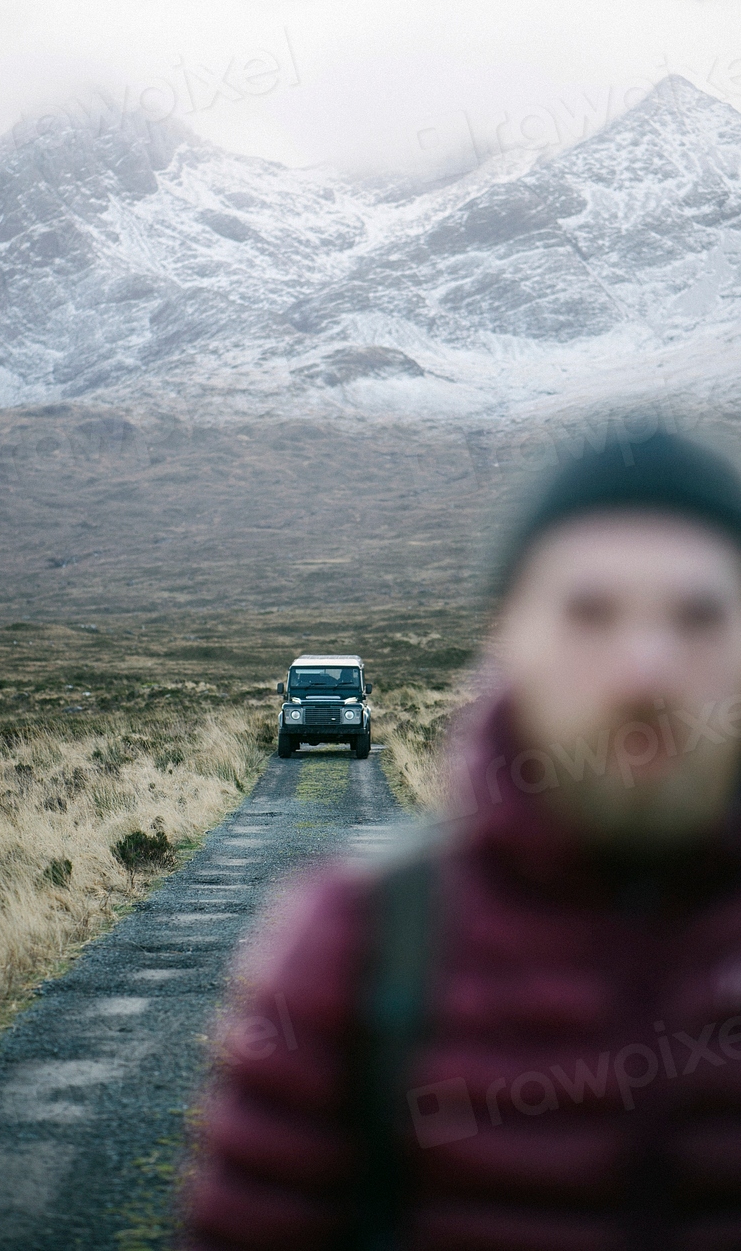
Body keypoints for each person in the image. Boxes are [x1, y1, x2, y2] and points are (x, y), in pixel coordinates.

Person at [185, 431, 741, 1250]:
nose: (645, 670)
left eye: (699, 615)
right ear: (503, 634)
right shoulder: (357, 944)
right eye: (588, 612)